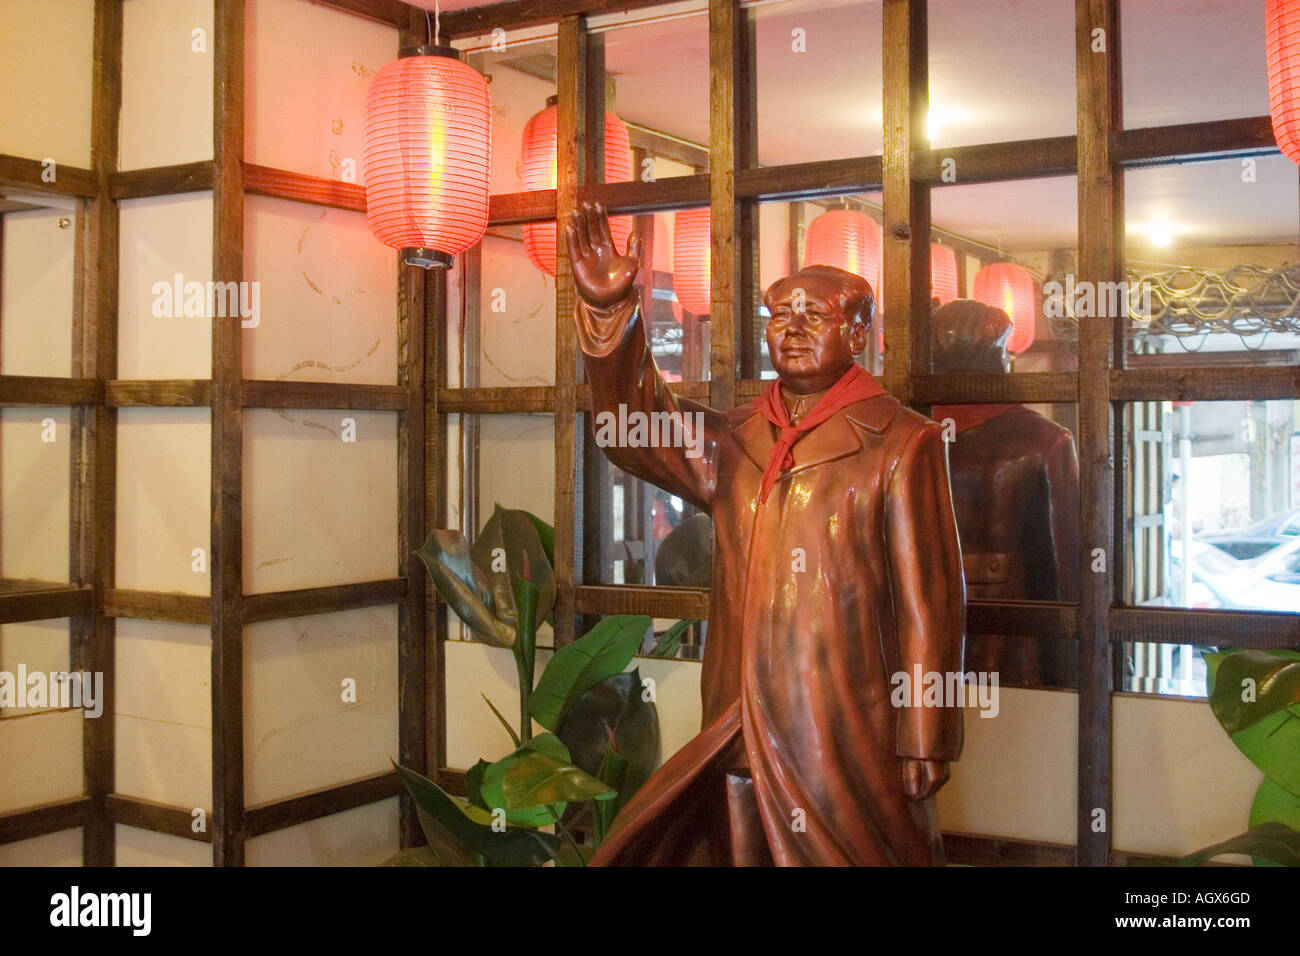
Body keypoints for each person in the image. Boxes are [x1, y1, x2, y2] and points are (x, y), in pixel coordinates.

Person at [567, 202, 965, 865]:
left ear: (859, 331)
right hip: (735, 712)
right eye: (780, 316)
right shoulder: (733, 441)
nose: (793, 329)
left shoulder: (902, 441)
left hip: (840, 721)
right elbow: (633, 429)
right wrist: (613, 315)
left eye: (815, 315)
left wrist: (926, 733)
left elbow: (931, 603)